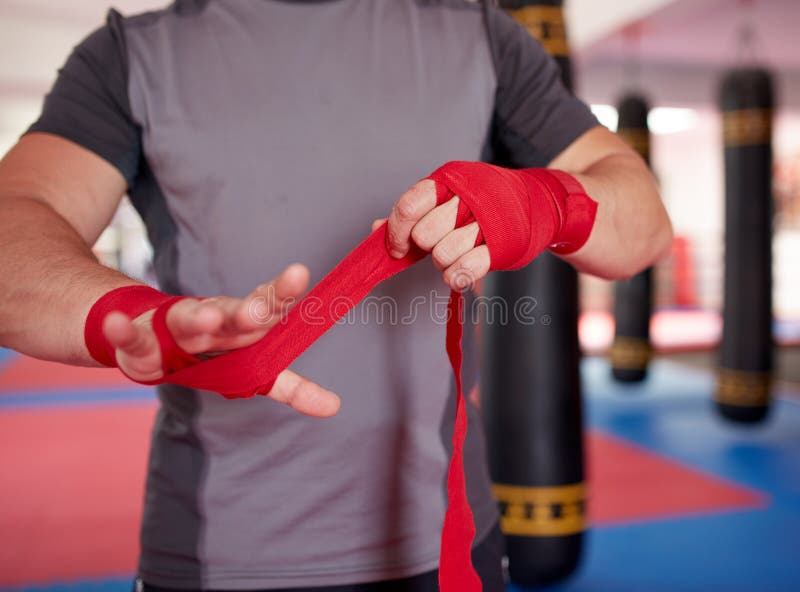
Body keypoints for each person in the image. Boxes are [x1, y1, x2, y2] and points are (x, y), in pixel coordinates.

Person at [0, 0, 671, 590]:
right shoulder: (129, 55)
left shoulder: (480, 34)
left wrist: (539, 203)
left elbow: (643, 224)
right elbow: (16, 219)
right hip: (221, 557)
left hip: (448, 545)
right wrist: (125, 313)